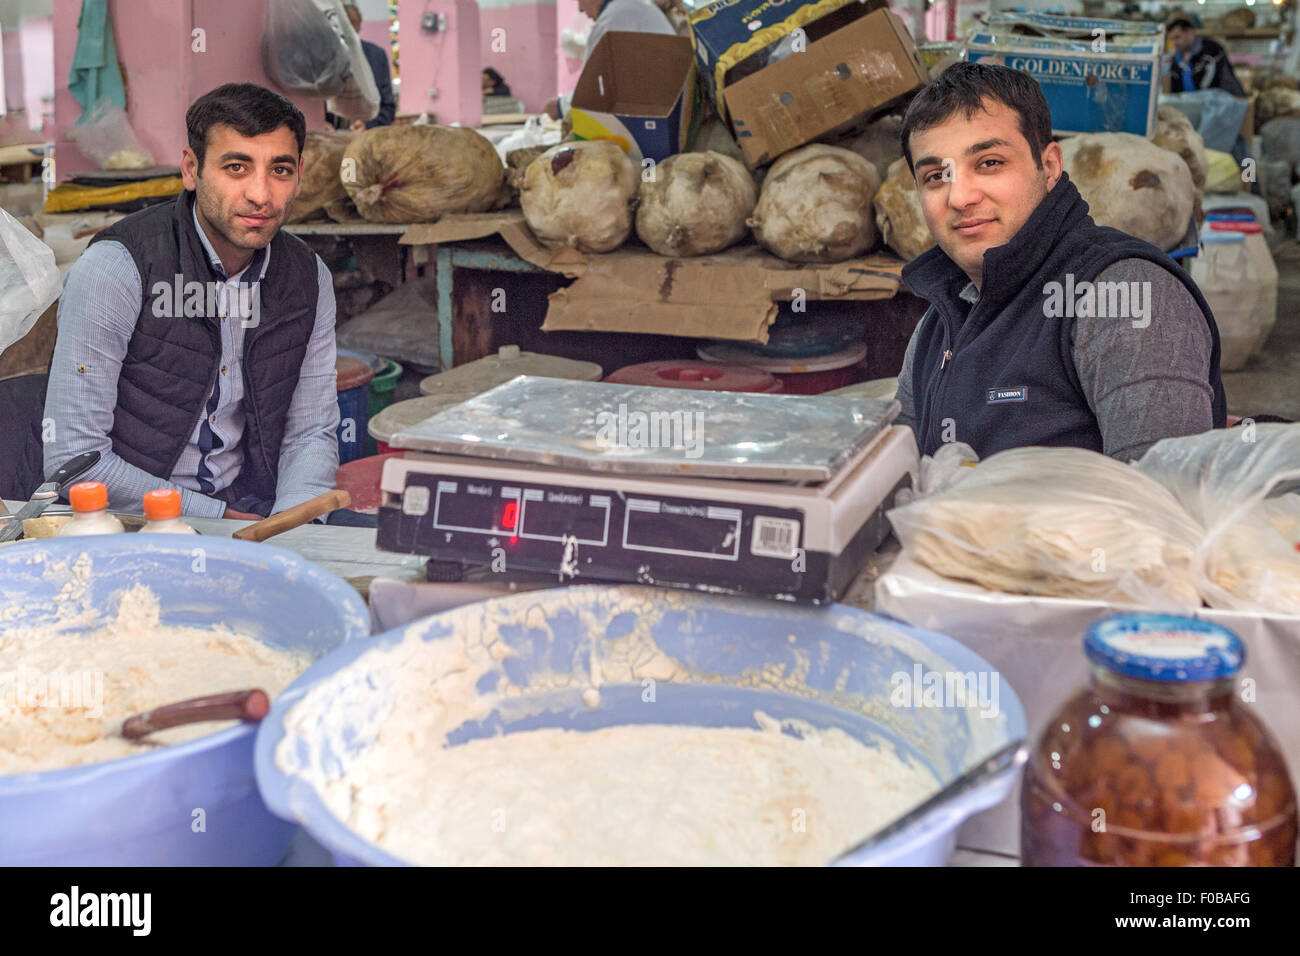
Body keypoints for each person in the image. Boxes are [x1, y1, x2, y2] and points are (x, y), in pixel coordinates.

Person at [893, 62, 1227, 462]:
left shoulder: (1125, 295)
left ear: (1049, 166)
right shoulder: (941, 315)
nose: (959, 197)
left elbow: (1161, 503)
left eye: (990, 163)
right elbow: (896, 470)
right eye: (935, 176)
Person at [42, 83, 340, 520]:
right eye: (236, 167)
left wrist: (294, 527)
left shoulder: (308, 278)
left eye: (279, 170)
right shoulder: (118, 268)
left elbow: (311, 432)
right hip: (129, 521)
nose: (261, 195)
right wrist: (218, 520)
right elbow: (76, 461)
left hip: (254, 511)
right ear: (190, 169)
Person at [543, 0, 675, 119]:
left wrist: (559, 107)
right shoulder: (633, 7)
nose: (580, 9)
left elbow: (593, 90)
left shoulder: (612, 20)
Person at [328, 3, 396, 131]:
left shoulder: (377, 55)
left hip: (367, 136)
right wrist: (324, 123)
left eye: (352, 23)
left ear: (359, 24)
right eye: (345, 24)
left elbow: (388, 106)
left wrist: (368, 125)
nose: (349, 30)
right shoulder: (327, 54)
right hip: (331, 134)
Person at [1167, 17, 1245, 97]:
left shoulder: (1212, 51)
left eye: (1177, 37)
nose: (1174, 43)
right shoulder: (1176, 59)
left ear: (1190, 33)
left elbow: (1213, 84)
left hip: (1222, 103)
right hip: (1192, 105)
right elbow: (1175, 90)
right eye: (1171, 39)